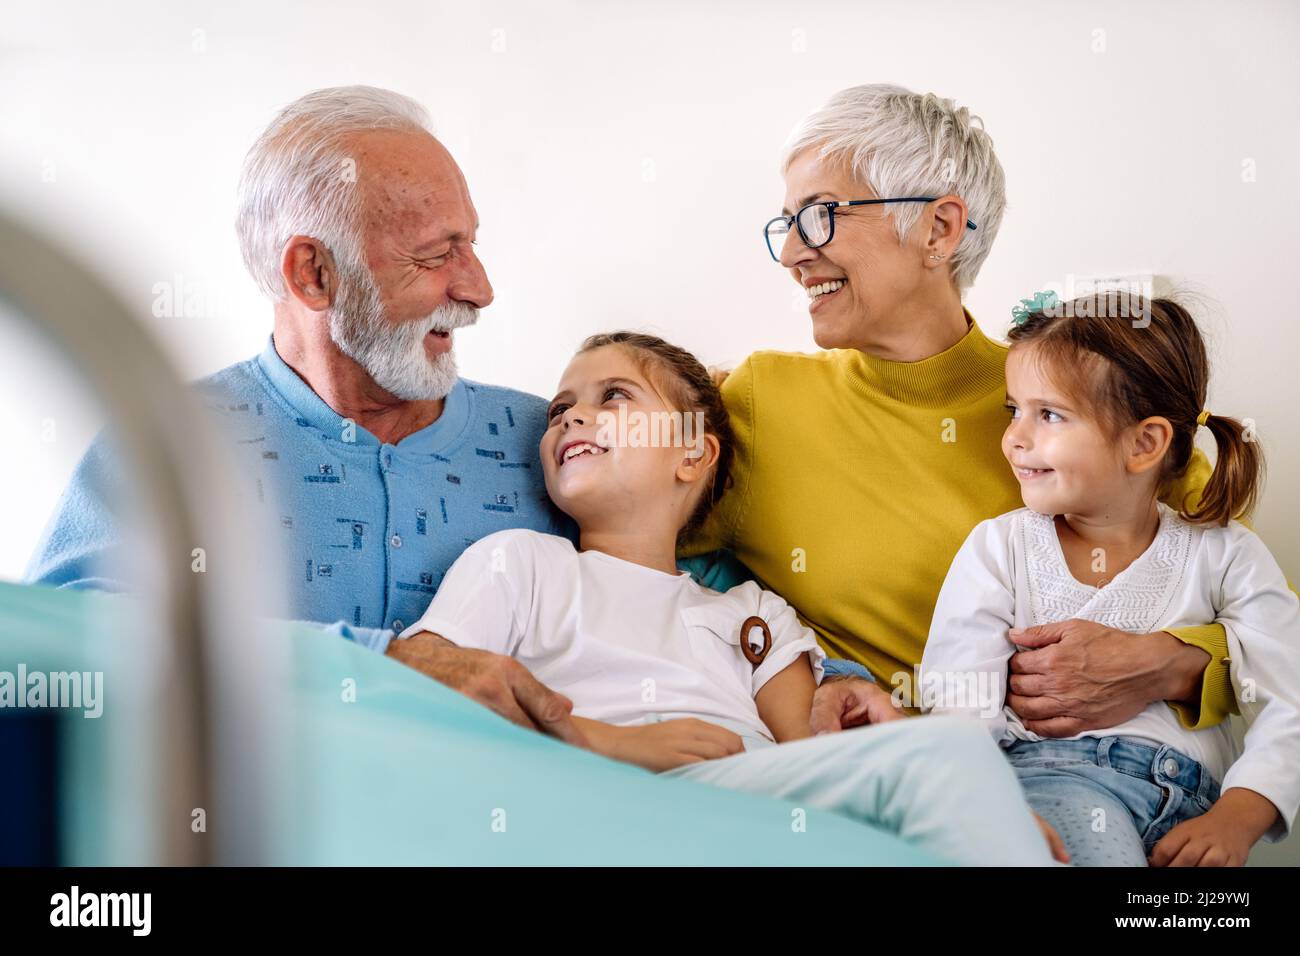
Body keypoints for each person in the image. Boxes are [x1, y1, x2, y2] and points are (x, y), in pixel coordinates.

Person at [25, 86, 590, 746]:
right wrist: (378, 664)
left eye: (469, 244)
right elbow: (59, 650)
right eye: (436, 255)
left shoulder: (559, 441)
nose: (478, 288)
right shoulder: (167, 445)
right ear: (313, 274)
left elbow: (694, 604)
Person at [680, 83, 1242, 743]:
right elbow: (616, 537)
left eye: (821, 214)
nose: (792, 252)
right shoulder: (758, 401)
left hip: (1095, 779)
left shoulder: (1095, 404)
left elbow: (1268, 629)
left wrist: (1166, 664)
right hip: (899, 786)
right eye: (787, 221)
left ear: (939, 229)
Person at [394, 330, 1055, 865]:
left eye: (613, 396)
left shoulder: (753, 613)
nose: (572, 418)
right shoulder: (521, 561)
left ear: (693, 454)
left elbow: (818, 757)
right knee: (953, 757)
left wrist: (983, 802)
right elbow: (424, 685)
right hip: (602, 792)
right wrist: (606, 743)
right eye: (560, 410)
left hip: (754, 804)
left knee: (949, 763)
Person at [921, 293, 1300, 866]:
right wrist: (987, 805)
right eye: (1013, 410)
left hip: (1199, 813)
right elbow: (958, 701)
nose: (1015, 438)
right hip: (1053, 786)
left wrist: (1237, 819)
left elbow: (1289, 699)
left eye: (1047, 414)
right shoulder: (1000, 548)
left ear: (1144, 444)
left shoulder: (1228, 555)